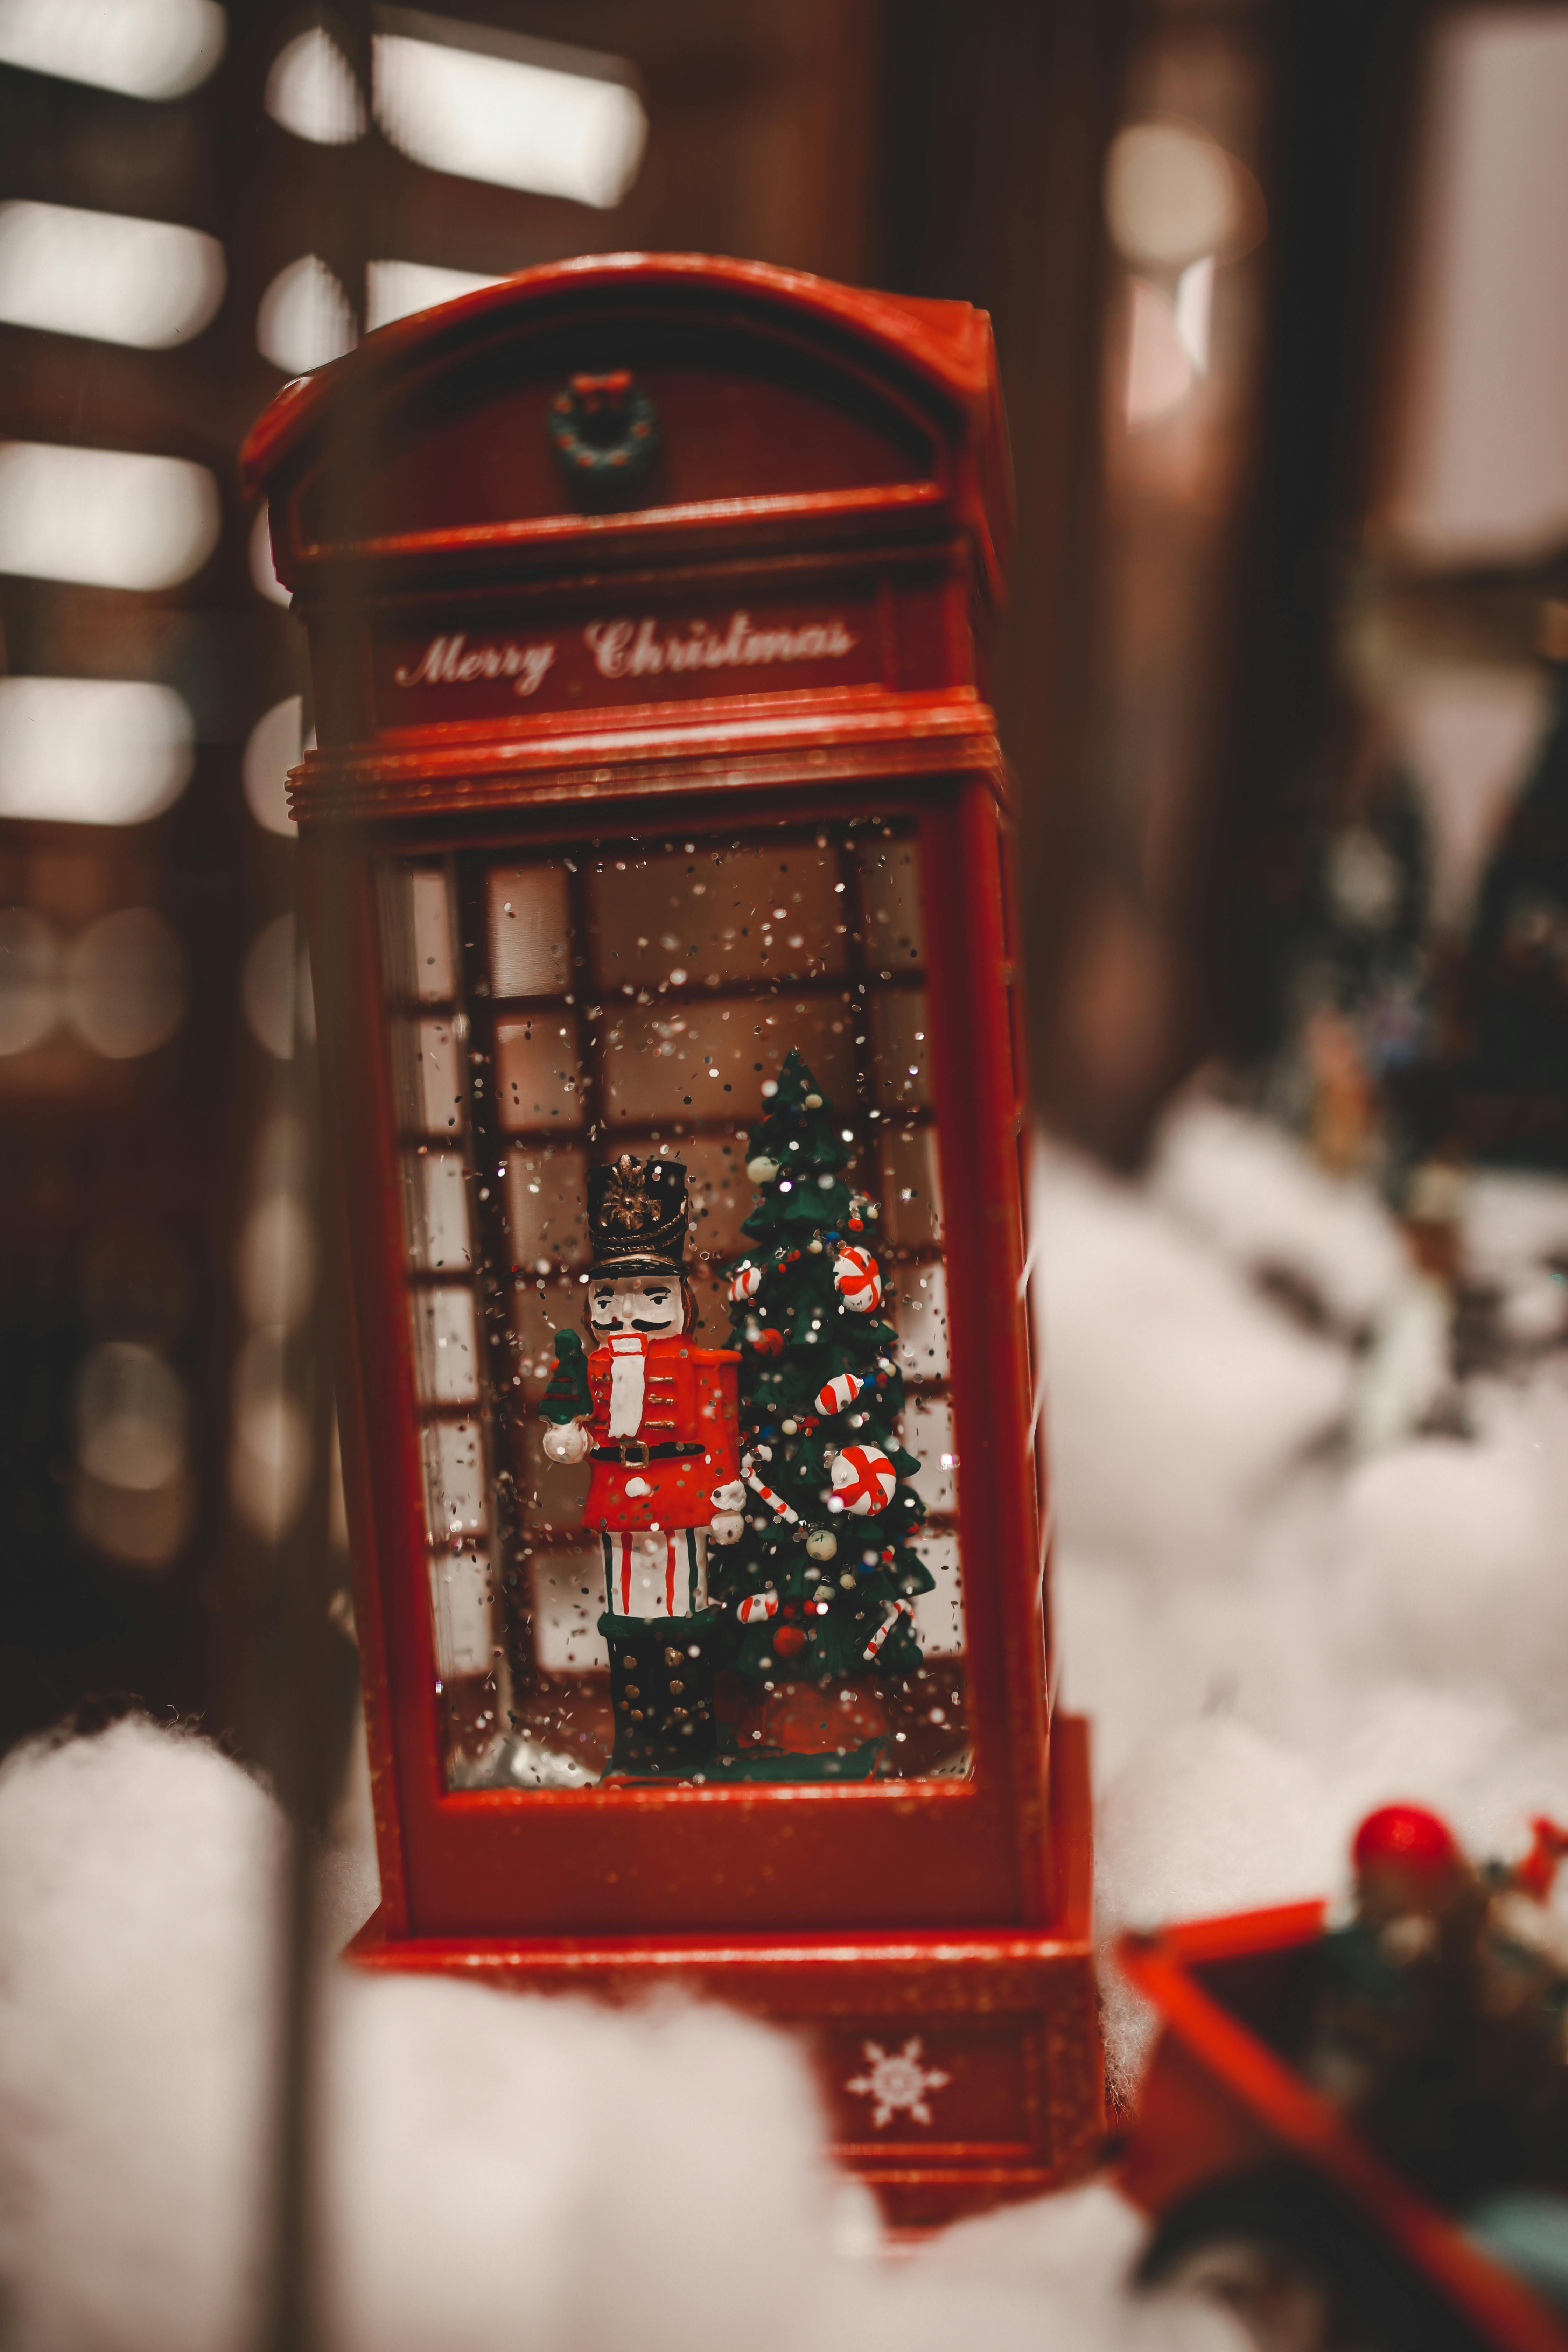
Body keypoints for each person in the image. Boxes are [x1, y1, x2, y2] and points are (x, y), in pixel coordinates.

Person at [541, 1152, 742, 1777]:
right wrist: (567, 1436)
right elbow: (572, 1422)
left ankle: (687, 1740)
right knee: (625, 1619)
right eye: (610, 1299)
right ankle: (638, 1739)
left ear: (680, 1299)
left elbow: (719, 1433)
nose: (628, 1314)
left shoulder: (703, 1367)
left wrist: (726, 1497)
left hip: (681, 1499)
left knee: (684, 1615)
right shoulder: (587, 1364)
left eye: (652, 1295)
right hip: (618, 1502)